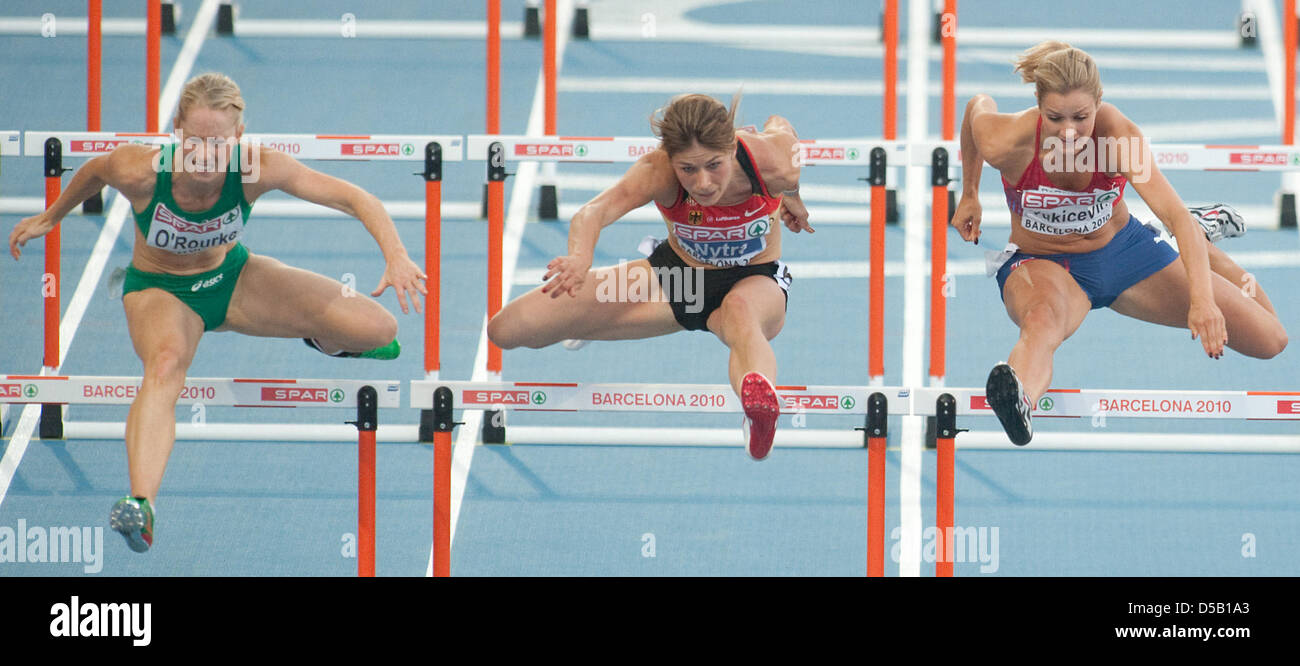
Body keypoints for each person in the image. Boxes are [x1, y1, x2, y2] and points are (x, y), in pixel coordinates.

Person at [7, 73, 427, 552]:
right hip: (162, 292)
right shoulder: (140, 170)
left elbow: (354, 197)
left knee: (378, 329)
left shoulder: (255, 168)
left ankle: (322, 337)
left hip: (233, 280)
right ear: (176, 130)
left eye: (219, 143)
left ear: (240, 139)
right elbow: (94, 172)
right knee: (165, 366)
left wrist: (395, 255)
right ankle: (140, 503)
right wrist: (51, 216)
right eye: (194, 141)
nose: (205, 154)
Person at [953, 41, 1288, 446]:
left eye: (1081, 117)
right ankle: (1020, 397)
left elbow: (1175, 215)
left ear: (1099, 103)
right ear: (1038, 105)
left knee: (1271, 339)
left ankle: (1203, 246)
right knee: (1042, 323)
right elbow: (976, 109)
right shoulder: (1006, 140)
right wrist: (969, 191)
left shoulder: (1119, 138)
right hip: (1044, 265)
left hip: (1127, 254)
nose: (1070, 132)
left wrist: (1203, 300)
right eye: (1055, 118)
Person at [487, 93, 811, 461]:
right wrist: (580, 258)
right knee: (508, 330)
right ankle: (589, 322)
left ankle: (759, 411)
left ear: (732, 145)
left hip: (754, 281)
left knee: (740, 312)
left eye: (714, 165)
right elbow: (593, 212)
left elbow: (786, 137)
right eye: (688, 169)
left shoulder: (773, 162)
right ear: (670, 160)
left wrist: (792, 196)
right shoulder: (657, 170)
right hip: (676, 279)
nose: (703, 182)